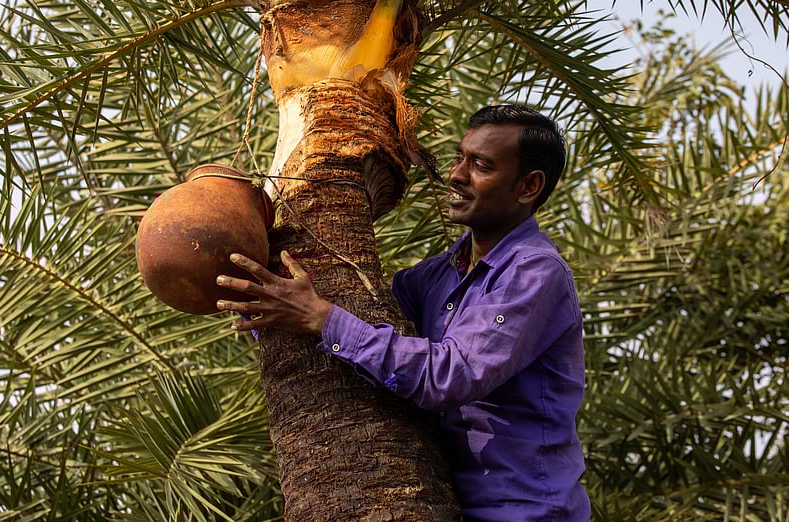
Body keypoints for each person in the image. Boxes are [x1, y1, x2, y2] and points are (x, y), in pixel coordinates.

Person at [215, 104, 590, 521]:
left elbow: (449, 375)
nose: (455, 175)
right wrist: (273, 301)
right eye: (458, 158)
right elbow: (363, 315)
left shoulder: (534, 272)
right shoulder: (437, 276)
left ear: (528, 186)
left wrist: (322, 319)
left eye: (481, 165)